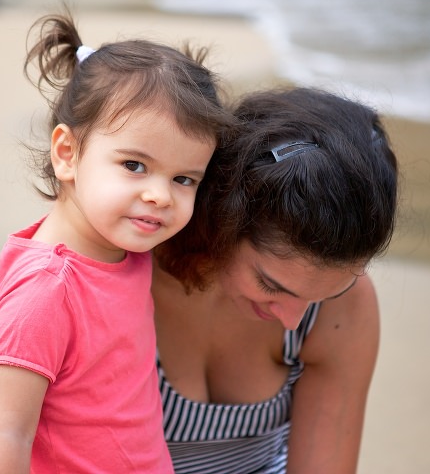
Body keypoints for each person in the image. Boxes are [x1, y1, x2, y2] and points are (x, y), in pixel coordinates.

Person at [0, 12, 234, 474]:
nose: (159, 195)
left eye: (183, 178)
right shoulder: (46, 290)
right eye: (134, 165)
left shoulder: (125, 249)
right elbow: (6, 434)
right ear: (67, 154)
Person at [153, 86, 398, 474]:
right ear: (223, 220)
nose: (293, 320)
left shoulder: (345, 304)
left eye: (319, 296)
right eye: (272, 285)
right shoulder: (121, 277)